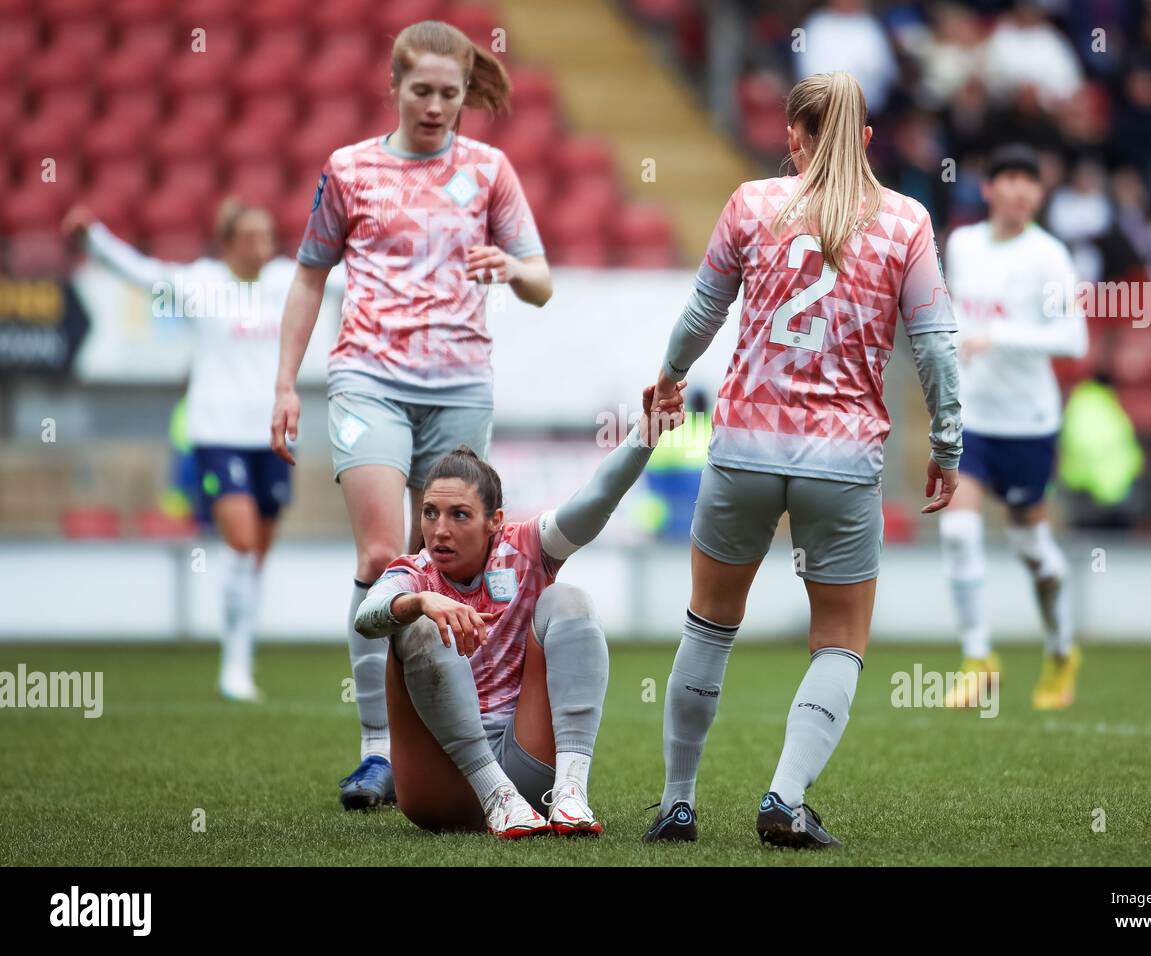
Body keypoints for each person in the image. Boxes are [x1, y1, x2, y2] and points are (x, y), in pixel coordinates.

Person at [643, 72, 962, 849]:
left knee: (709, 624)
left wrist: (668, 376)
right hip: (842, 458)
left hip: (746, 445)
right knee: (840, 640)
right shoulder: (908, 222)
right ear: (865, 138)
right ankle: (784, 799)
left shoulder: (753, 203)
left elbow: (701, 313)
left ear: (795, 136)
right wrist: (947, 439)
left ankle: (678, 803)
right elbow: (935, 345)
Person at [269, 20, 552, 810]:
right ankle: (375, 753)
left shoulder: (490, 170)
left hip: (460, 382)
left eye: (450, 94)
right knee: (388, 549)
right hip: (368, 379)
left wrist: (512, 268)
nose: (435, 106)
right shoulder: (350, 169)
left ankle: (445, 741)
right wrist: (287, 383)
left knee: (453, 557)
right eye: (421, 91)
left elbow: (542, 280)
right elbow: (307, 277)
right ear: (393, 88)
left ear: (467, 95)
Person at [354, 385, 686, 837]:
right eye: (430, 513)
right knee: (413, 623)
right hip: (442, 789)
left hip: (527, 773)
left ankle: (570, 794)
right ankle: (495, 796)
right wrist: (420, 602)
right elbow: (366, 615)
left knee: (569, 600)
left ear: (496, 520)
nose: (439, 530)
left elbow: (593, 503)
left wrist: (644, 435)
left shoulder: (525, 546)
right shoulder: (413, 571)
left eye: (459, 515)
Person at [63, 199, 337, 701]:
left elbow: (344, 279)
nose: (263, 246)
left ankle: (242, 649)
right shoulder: (202, 284)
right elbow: (141, 273)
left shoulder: (285, 279)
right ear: (228, 243)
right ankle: (234, 664)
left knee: (257, 555)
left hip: (275, 436)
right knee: (240, 540)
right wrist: (93, 237)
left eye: (267, 235)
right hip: (216, 433)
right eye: (251, 237)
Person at [938, 144, 1088, 711]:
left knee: (1033, 551)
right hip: (973, 419)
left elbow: (1073, 339)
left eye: (1032, 181)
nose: (1022, 190)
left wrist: (998, 338)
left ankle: (1060, 650)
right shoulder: (964, 244)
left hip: (1028, 424)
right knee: (956, 532)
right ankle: (979, 658)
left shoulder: (1048, 256)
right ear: (989, 188)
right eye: (1011, 179)